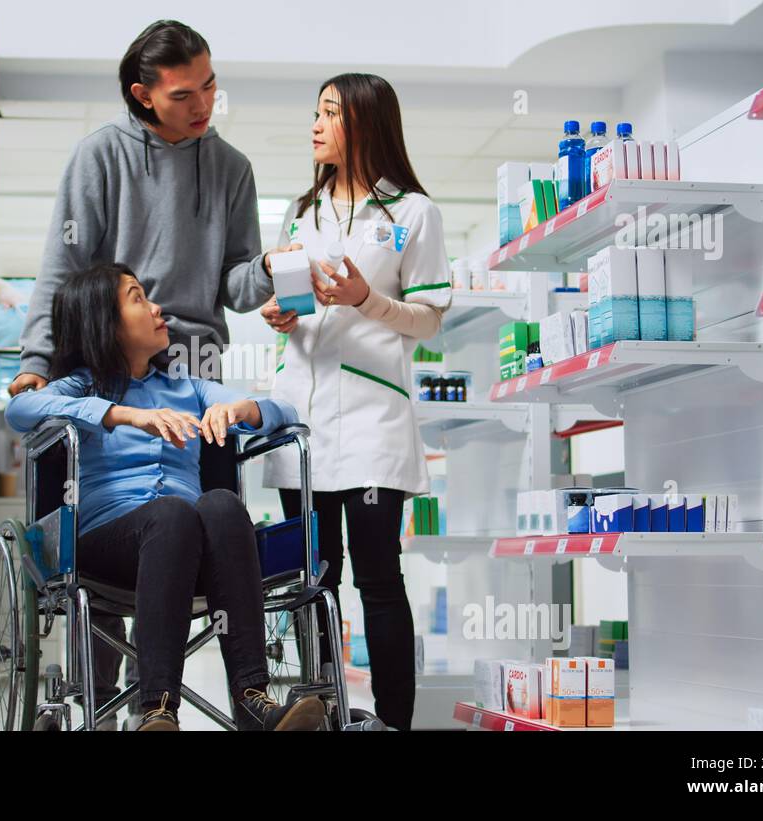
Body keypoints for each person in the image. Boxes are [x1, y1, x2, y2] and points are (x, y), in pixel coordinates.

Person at [9, 20, 297, 724]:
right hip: (107, 363)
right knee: (134, 536)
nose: (203, 104)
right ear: (142, 95)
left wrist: (264, 274)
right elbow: (63, 272)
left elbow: (236, 285)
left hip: (194, 371)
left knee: (210, 512)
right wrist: (36, 364)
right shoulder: (100, 158)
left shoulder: (231, 168)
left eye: (209, 86)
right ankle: (110, 706)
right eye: (182, 94)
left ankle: (240, 698)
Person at [7, 263, 323, 731]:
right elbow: (20, 408)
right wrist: (121, 415)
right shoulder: (82, 386)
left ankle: (254, 700)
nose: (157, 308)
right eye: (137, 298)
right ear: (104, 321)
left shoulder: (188, 388)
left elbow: (286, 412)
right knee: (173, 514)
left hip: (188, 552)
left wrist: (244, 408)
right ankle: (158, 709)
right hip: (106, 549)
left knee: (221, 504)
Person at [259, 73, 452, 731]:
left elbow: (428, 319)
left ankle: (393, 722)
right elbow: (298, 301)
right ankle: (324, 712)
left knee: (377, 580)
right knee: (311, 582)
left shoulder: (414, 213)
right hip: (302, 422)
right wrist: (281, 314)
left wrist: (367, 299)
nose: (315, 124)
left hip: (372, 422)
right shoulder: (299, 212)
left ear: (365, 122)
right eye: (315, 111)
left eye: (329, 112)